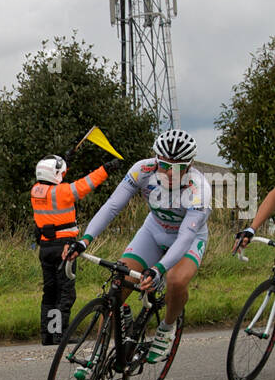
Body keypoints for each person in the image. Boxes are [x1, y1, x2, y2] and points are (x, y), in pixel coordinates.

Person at [66, 129, 210, 363]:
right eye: (164, 165)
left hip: (188, 240)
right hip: (153, 232)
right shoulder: (142, 170)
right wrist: (85, 239)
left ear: (190, 165)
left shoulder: (199, 189)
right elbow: (113, 206)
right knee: (118, 282)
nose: (170, 173)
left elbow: (186, 235)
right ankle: (97, 353)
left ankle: (167, 328)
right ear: (156, 160)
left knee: (176, 281)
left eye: (179, 167)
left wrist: (158, 269)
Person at [31, 153, 116, 345]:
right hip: (65, 249)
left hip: (45, 248)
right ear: (56, 174)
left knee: (50, 291)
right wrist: (106, 169)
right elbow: (88, 183)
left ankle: (48, 335)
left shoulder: (35, 190)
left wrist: (66, 162)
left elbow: (54, 176)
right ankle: (60, 335)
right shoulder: (63, 192)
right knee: (65, 292)